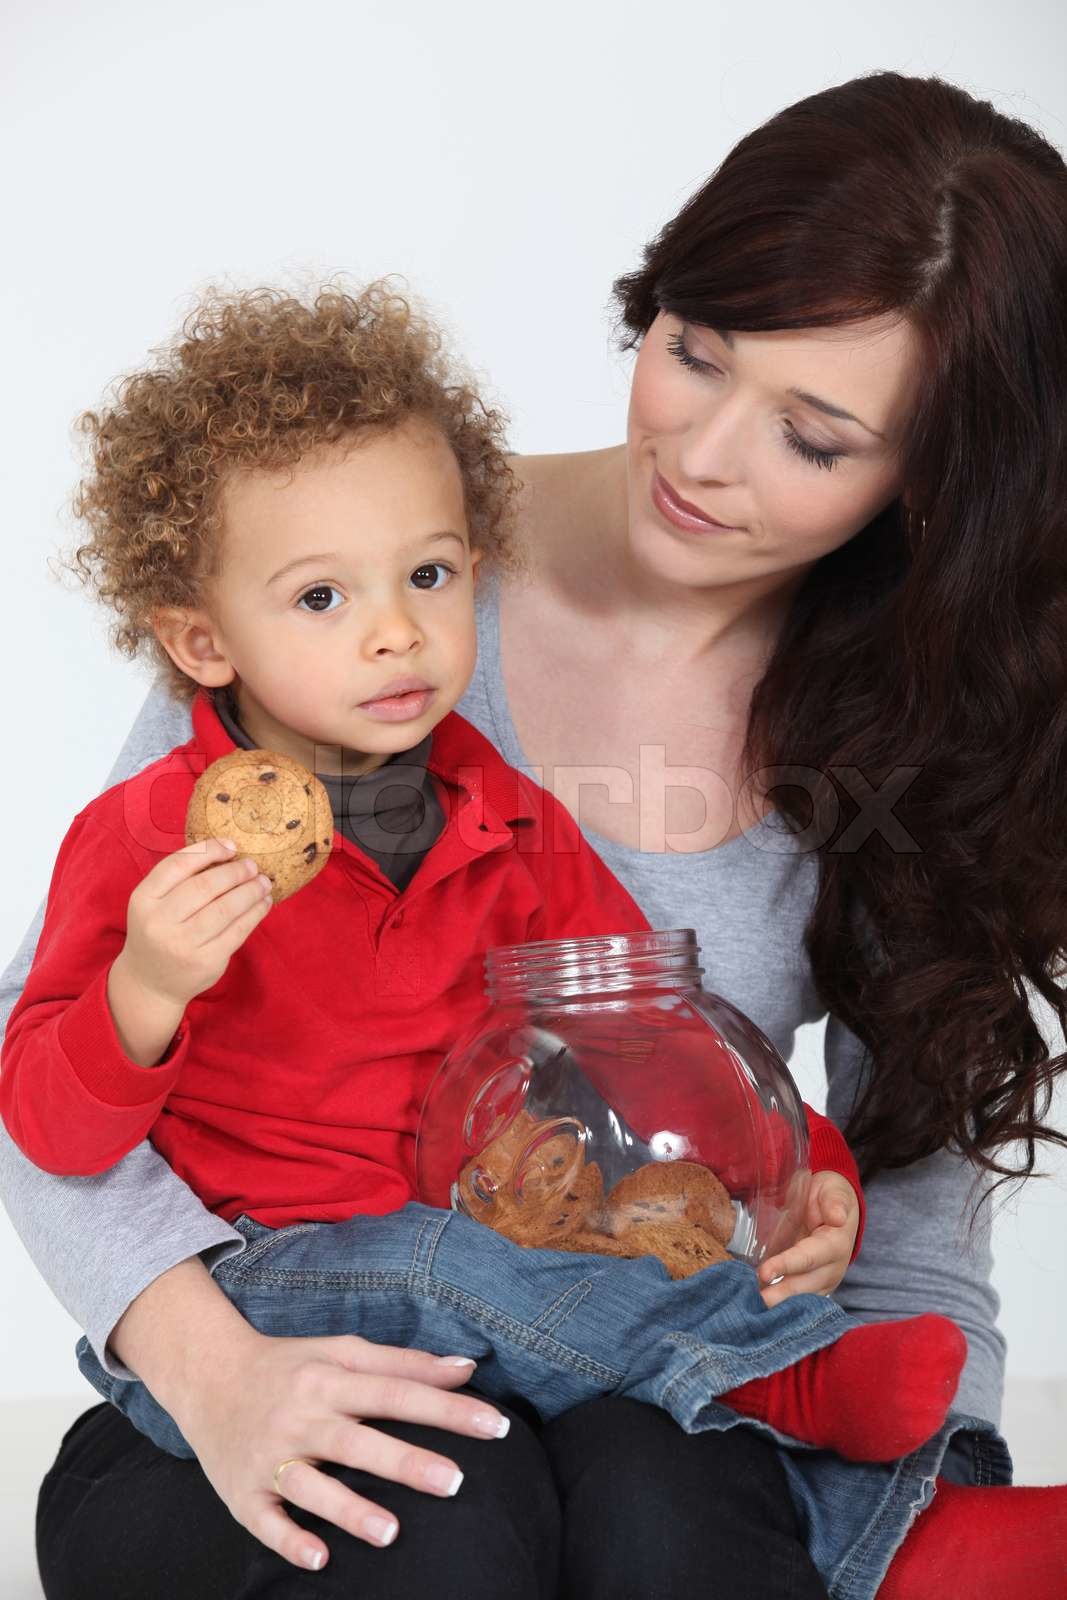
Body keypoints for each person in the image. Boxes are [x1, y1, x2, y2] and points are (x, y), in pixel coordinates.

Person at [2, 66, 1066, 1600]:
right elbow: (46, 1073)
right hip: (262, 1349)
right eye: (692, 355)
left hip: (661, 1382)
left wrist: (820, 1203)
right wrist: (214, 1373)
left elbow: (821, 1136)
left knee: (662, 1509)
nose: (702, 457)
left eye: (812, 439)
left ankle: (899, 1542)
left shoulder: (910, 713)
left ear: (935, 484)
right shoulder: (354, 546)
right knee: (438, 1507)